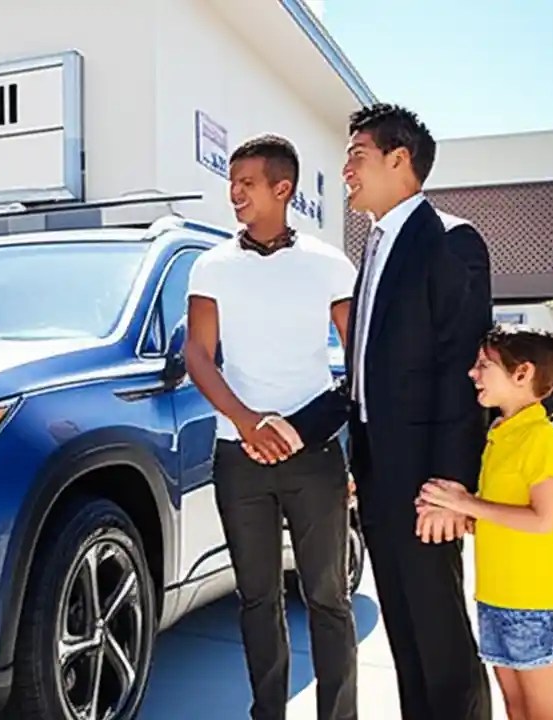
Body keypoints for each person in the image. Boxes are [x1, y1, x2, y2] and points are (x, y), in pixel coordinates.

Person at [186, 134, 359, 720]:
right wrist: (246, 422)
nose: (234, 193)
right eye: (232, 183)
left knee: (328, 599)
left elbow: (362, 356)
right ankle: (268, 713)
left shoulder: (330, 263)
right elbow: (198, 355)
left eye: (247, 183)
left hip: (313, 458)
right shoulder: (211, 264)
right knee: (257, 599)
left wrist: (326, 438)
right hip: (239, 457)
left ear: (282, 189)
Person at [341, 102, 493, 719]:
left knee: (442, 640)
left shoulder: (450, 241)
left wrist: (451, 487)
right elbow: (366, 375)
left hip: (428, 483)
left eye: (356, 156)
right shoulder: (374, 247)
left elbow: (461, 375)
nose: (346, 171)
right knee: (405, 637)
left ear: (398, 160)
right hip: (380, 477)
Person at [418, 326, 553, 720]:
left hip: (537, 604)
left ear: (521, 374)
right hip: (495, 600)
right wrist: (461, 513)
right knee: (516, 709)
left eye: (484, 365)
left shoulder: (542, 438)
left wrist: (467, 502)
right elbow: (501, 514)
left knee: (546, 714)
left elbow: (543, 519)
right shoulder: (499, 433)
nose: (473, 373)